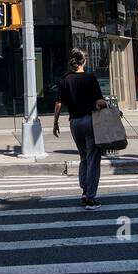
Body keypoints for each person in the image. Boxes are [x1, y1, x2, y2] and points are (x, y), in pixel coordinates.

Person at [52, 48, 107, 209]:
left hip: (74, 123)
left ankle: (84, 192)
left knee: (83, 156)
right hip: (90, 121)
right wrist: (109, 105)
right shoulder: (90, 78)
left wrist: (55, 123)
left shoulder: (64, 79)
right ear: (84, 61)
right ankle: (90, 198)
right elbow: (99, 103)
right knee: (93, 158)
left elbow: (59, 103)